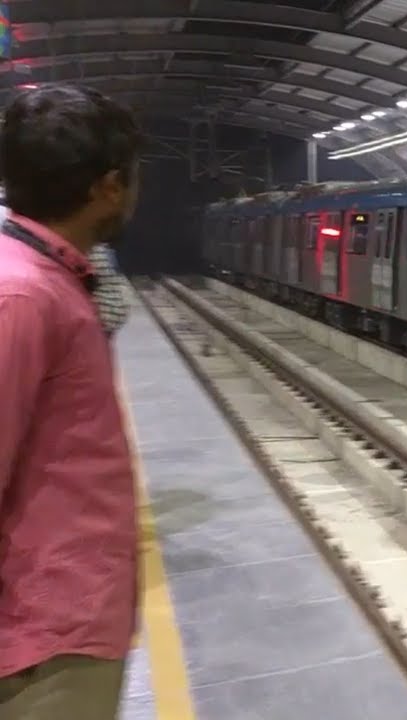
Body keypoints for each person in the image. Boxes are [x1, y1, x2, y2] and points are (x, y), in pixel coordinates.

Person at [0, 84, 143, 720]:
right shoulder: (22, 296)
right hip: (41, 640)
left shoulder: (49, 282)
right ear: (109, 187)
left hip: (64, 624)